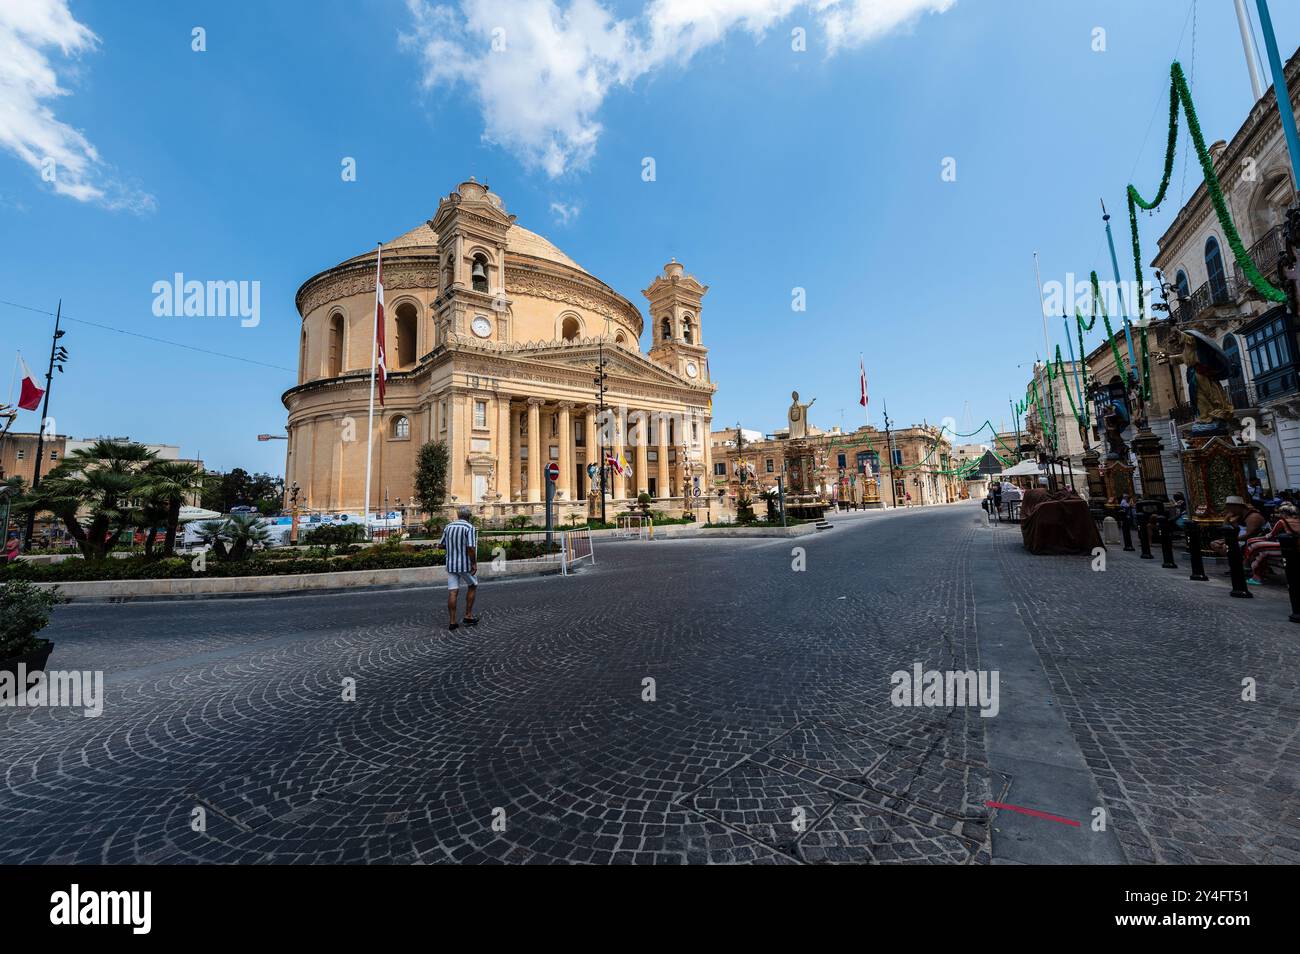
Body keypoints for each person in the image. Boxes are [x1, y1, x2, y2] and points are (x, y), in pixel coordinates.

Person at [438, 506, 479, 631]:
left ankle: (452, 621)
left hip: (450, 564)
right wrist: (474, 563)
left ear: (458, 515)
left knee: (453, 591)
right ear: (469, 516)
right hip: (464, 564)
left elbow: (441, 545)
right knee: (472, 585)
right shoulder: (469, 527)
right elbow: (471, 548)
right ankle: (468, 615)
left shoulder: (448, 527)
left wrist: (452, 546)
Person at [1243, 502, 1300, 584]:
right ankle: (1259, 571)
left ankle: (1255, 575)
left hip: (1287, 548)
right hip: (1294, 547)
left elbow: (1270, 536)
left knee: (1254, 545)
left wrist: (1253, 540)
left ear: (1284, 513)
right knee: (1260, 550)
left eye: (1280, 513)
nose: (1279, 515)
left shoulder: (1282, 521)